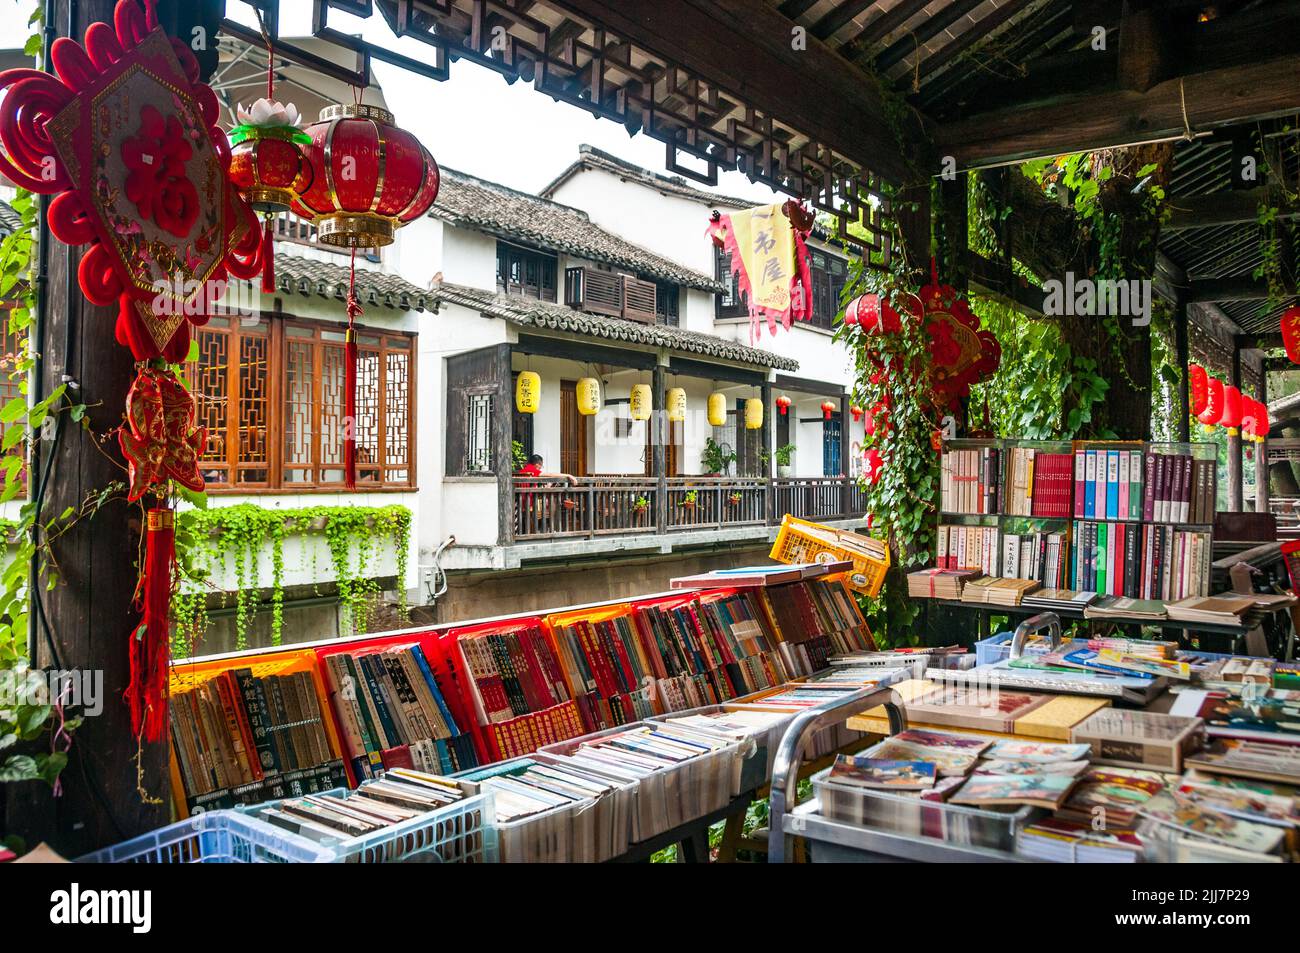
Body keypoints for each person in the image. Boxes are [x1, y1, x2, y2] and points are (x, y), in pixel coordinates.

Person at [516, 454, 578, 532]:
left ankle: (545, 529)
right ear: (537, 465)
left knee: (549, 501)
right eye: (541, 467)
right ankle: (551, 529)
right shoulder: (532, 470)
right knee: (554, 503)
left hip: (519, 503)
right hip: (530, 504)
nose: (540, 469)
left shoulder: (522, 471)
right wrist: (568, 475)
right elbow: (551, 475)